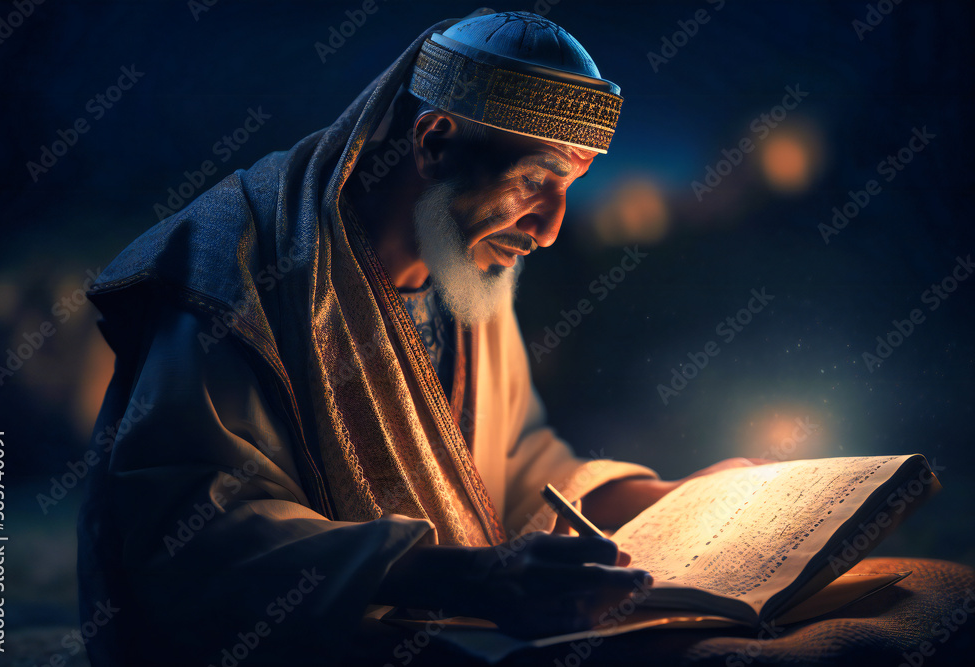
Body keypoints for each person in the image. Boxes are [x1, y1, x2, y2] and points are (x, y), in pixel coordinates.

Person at [75, 9, 788, 666]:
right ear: (435, 142)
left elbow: (508, 475)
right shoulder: (239, 265)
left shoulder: (466, 271)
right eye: (535, 181)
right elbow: (190, 539)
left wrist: (677, 497)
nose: (549, 229)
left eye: (570, 187)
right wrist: (464, 577)